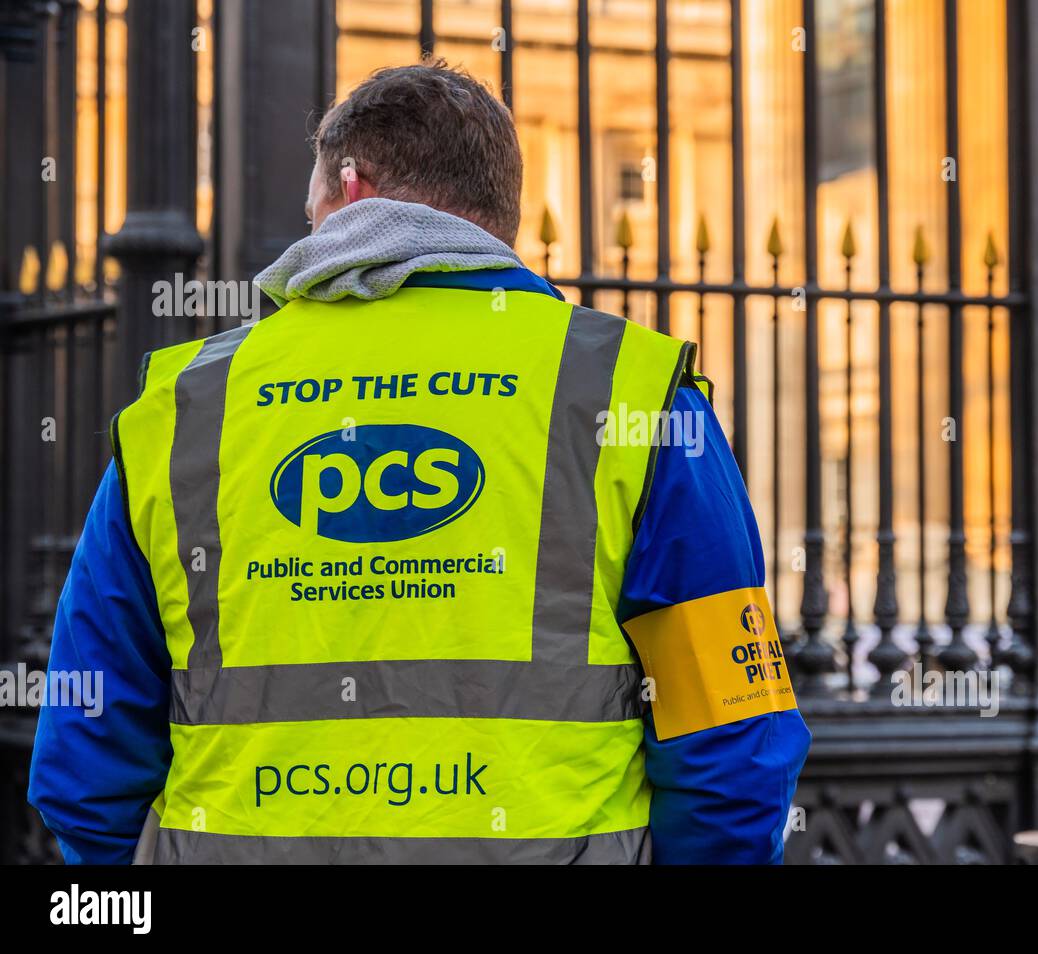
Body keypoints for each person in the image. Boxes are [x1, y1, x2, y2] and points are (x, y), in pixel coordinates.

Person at [27, 60, 809, 864]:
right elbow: (732, 734)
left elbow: (85, 758)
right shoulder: (630, 391)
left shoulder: (187, 409)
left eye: (311, 208)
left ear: (352, 188)